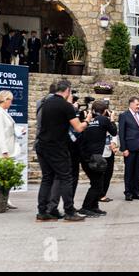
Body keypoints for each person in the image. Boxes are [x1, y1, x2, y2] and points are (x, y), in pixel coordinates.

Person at [36, 80, 92, 222]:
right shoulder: (66, 106)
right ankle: (70, 211)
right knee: (66, 177)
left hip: (42, 145)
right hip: (57, 147)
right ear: (67, 91)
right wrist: (87, 120)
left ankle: (42, 211)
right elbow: (78, 128)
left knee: (47, 178)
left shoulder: (45, 102)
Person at [78, 101, 117, 218]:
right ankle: (85, 207)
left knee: (96, 182)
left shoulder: (87, 121)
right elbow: (114, 131)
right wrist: (112, 119)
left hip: (85, 156)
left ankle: (94, 207)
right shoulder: (104, 120)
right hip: (95, 157)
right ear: (105, 111)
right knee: (97, 184)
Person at [0, 91, 26, 209]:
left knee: (5, 176)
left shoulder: (2, 113)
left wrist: (19, 131)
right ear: (5, 100)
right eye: (10, 100)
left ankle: (5, 199)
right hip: (2, 152)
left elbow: (7, 130)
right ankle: (1, 200)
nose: (11, 103)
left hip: (7, 150)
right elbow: (0, 134)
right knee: (2, 177)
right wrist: (4, 151)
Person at [119, 96, 139, 201]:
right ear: (131, 104)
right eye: (137, 104)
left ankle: (136, 192)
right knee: (129, 171)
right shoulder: (124, 116)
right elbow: (121, 133)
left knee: (137, 171)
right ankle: (128, 192)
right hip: (129, 148)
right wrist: (124, 148)